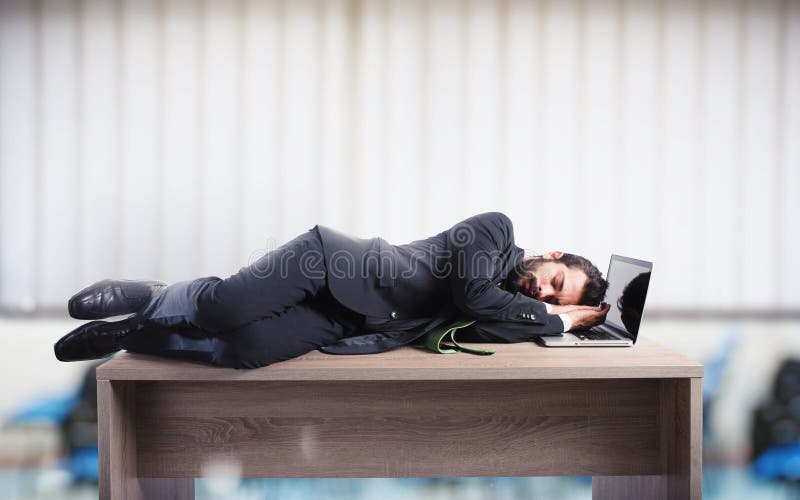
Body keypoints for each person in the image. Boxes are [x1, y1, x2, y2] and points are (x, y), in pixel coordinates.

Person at [54, 211, 610, 369]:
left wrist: (559, 323)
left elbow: (477, 325)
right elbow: (470, 298)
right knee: (225, 310)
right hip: (331, 262)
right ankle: (149, 295)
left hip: (354, 321)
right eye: (555, 282)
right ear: (552, 254)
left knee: (244, 352)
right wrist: (560, 321)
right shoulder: (495, 231)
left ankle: (130, 336)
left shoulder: (515, 309)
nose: (542, 292)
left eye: (552, 299)